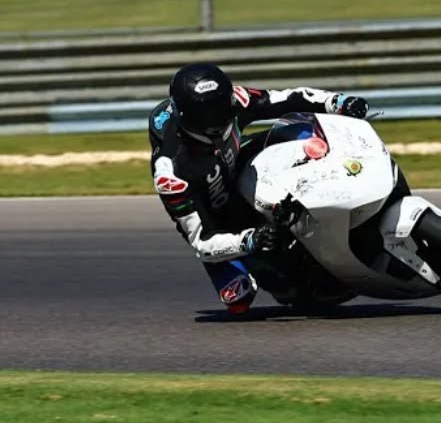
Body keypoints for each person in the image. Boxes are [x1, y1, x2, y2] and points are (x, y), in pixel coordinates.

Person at [147, 63, 371, 314]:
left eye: (219, 106)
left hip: (237, 162)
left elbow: (286, 98)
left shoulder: (236, 101)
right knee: (239, 300)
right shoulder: (172, 173)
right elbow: (201, 241)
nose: (215, 118)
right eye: (204, 114)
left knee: (300, 131)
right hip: (213, 215)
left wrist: (337, 102)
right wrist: (249, 239)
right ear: (184, 116)